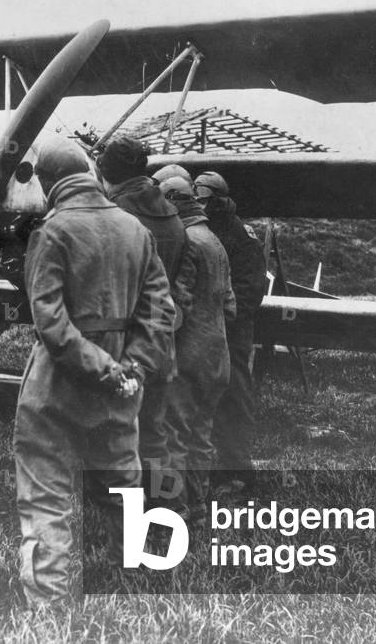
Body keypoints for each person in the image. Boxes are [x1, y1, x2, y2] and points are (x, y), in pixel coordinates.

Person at [14, 139, 174, 606]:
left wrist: (103, 370)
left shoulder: (51, 232)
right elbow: (161, 311)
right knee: (123, 486)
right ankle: (134, 587)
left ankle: (48, 607)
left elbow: (51, 323)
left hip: (59, 385)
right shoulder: (136, 230)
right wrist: (133, 369)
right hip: (126, 382)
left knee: (46, 495)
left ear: (47, 182)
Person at [96, 137, 191, 480]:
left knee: (117, 436)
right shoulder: (173, 217)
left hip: (125, 347)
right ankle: (168, 510)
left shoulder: (116, 218)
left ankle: (124, 515)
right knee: (155, 434)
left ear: (106, 172)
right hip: (162, 344)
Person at [158, 175, 236, 519]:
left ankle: (173, 507)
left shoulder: (188, 240)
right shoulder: (215, 241)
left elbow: (178, 307)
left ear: (175, 200)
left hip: (189, 354)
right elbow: (230, 305)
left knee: (174, 431)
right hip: (218, 354)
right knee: (201, 433)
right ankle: (199, 503)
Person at [193, 171, 267, 495]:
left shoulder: (242, 237)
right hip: (210, 326)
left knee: (235, 396)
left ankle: (238, 471)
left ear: (220, 201)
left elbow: (252, 290)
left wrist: (226, 316)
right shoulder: (205, 231)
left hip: (233, 330)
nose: (201, 207)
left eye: (206, 201)